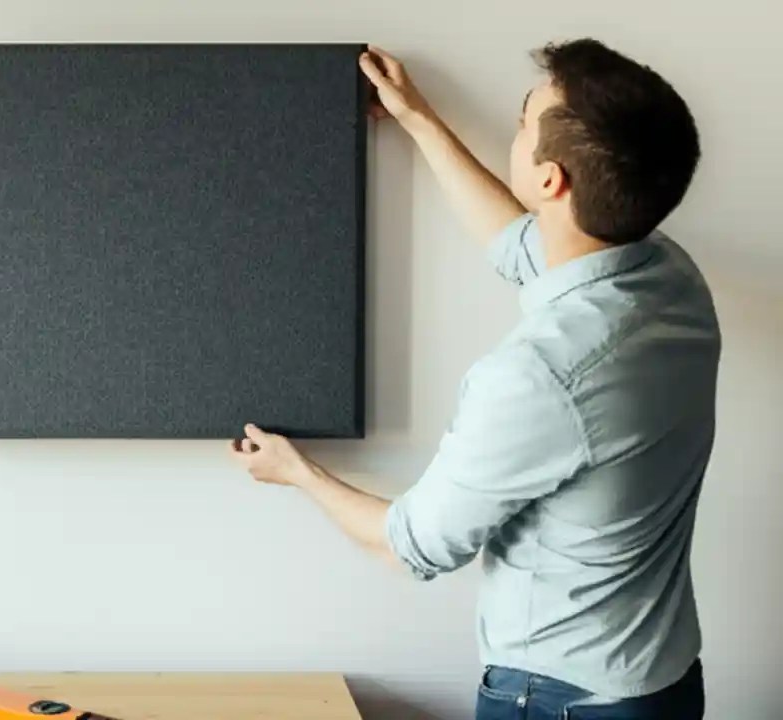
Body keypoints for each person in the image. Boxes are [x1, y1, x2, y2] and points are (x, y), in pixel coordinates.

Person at [229, 39, 717, 720]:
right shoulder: (668, 276)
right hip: (662, 683)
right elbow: (523, 244)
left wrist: (298, 473)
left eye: (523, 121)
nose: (513, 127)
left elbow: (415, 545)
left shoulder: (541, 375)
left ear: (551, 180)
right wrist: (419, 118)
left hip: (560, 702)